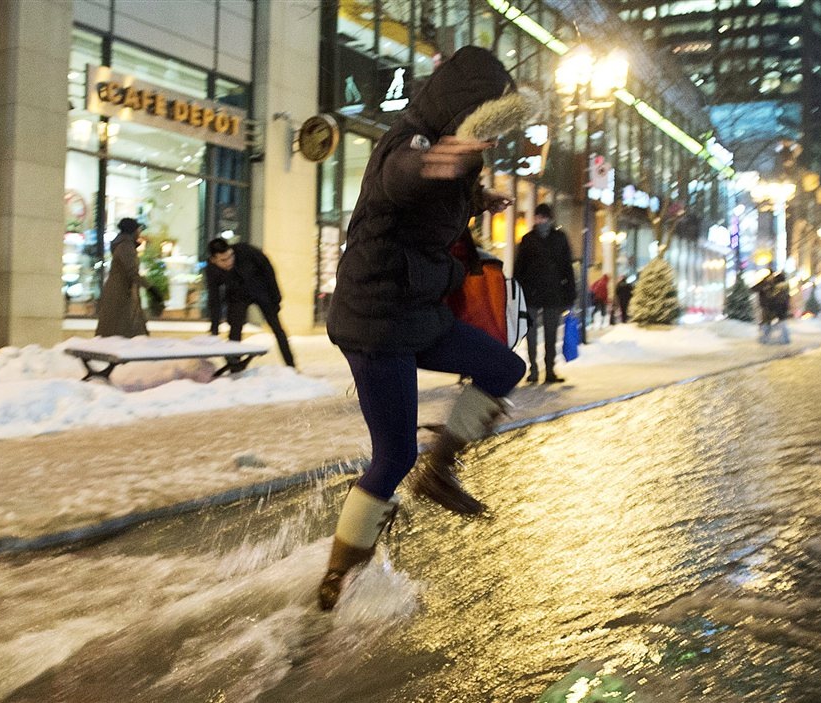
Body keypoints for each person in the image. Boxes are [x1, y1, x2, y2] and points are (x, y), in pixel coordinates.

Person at [318, 46, 527, 610]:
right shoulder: (410, 143)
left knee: (504, 366)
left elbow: (433, 199)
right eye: (488, 119)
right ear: (464, 109)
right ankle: (337, 580)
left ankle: (441, 470)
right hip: (375, 320)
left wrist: (476, 197)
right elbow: (404, 177)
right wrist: (441, 161)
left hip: (416, 311)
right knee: (392, 456)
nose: (493, 135)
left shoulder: (458, 158)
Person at [205, 238, 296, 368]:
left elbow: (267, 268)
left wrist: (275, 297)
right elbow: (214, 298)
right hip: (237, 295)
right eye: (223, 260)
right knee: (235, 328)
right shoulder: (211, 269)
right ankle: (234, 366)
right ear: (214, 260)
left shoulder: (245, 250)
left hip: (260, 289)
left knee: (277, 328)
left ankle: (291, 365)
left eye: (230, 256)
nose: (229, 261)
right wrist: (214, 327)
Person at [514, 203, 576, 383]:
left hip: (552, 293)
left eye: (543, 217)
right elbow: (519, 268)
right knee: (531, 334)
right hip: (531, 293)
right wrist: (517, 293)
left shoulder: (560, 238)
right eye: (538, 217)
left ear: (549, 218)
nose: (540, 221)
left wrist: (570, 294)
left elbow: (567, 268)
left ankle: (549, 370)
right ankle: (533, 370)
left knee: (551, 334)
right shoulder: (528, 239)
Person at [95, 218, 155, 338]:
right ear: (133, 230)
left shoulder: (125, 245)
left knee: (118, 329)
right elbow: (132, 272)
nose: (139, 232)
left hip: (120, 291)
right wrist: (151, 289)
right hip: (120, 293)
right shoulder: (125, 246)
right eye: (138, 229)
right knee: (120, 331)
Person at [751, 266, 791, 344]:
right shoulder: (771, 283)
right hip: (773, 305)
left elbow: (755, 289)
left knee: (768, 321)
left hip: (771, 305)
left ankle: (765, 338)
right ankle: (779, 338)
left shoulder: (772, 283)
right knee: (774, 321)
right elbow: (755, 289)